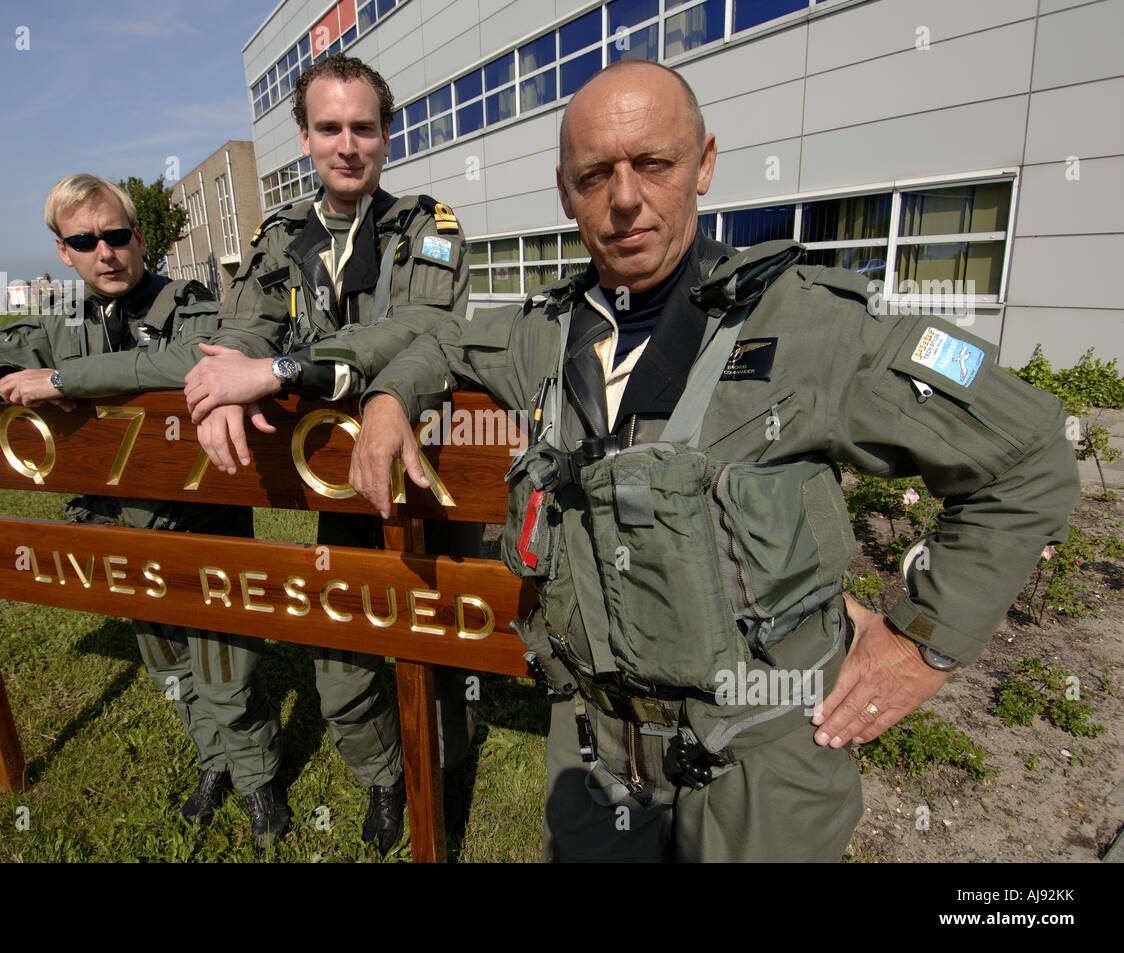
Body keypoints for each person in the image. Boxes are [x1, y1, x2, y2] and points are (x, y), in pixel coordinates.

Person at [347, 60, 1081, 862]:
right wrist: (390, 398)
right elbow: (446, 339)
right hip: (596, 754)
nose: (624, 198)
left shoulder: (806, 327)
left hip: (758, 766)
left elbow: (1029, 449)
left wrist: (922, 641)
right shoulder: (545, 334)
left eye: (653, 164)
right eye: (595, 175)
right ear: (566, 193)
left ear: (703, 164)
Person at [183, 54, 479, 855]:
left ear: (387, 134)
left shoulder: (428, 224)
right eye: (328, 128)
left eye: (363, 127)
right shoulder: (279, 234)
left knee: (445, 649)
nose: (347, 144)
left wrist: (283, 369)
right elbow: (246, 322)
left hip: (430, 477)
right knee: (338, 661)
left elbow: (416, 327)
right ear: (305, 139)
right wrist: (224, 376)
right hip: (334, 484)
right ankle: (386, 777)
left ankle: (437, 776)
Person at [0, 174, 290, 850]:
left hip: (198, 524)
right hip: (117, 531)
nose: (105, 252)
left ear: (139, 238)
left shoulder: (183, 300)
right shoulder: (65, 318)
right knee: (168, 665)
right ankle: (213, 763)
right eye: (84, 240)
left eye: (117, 235)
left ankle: (258, 781)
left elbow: (188, 359)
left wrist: (66, 380)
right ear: (63, 250)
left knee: (224, 669)